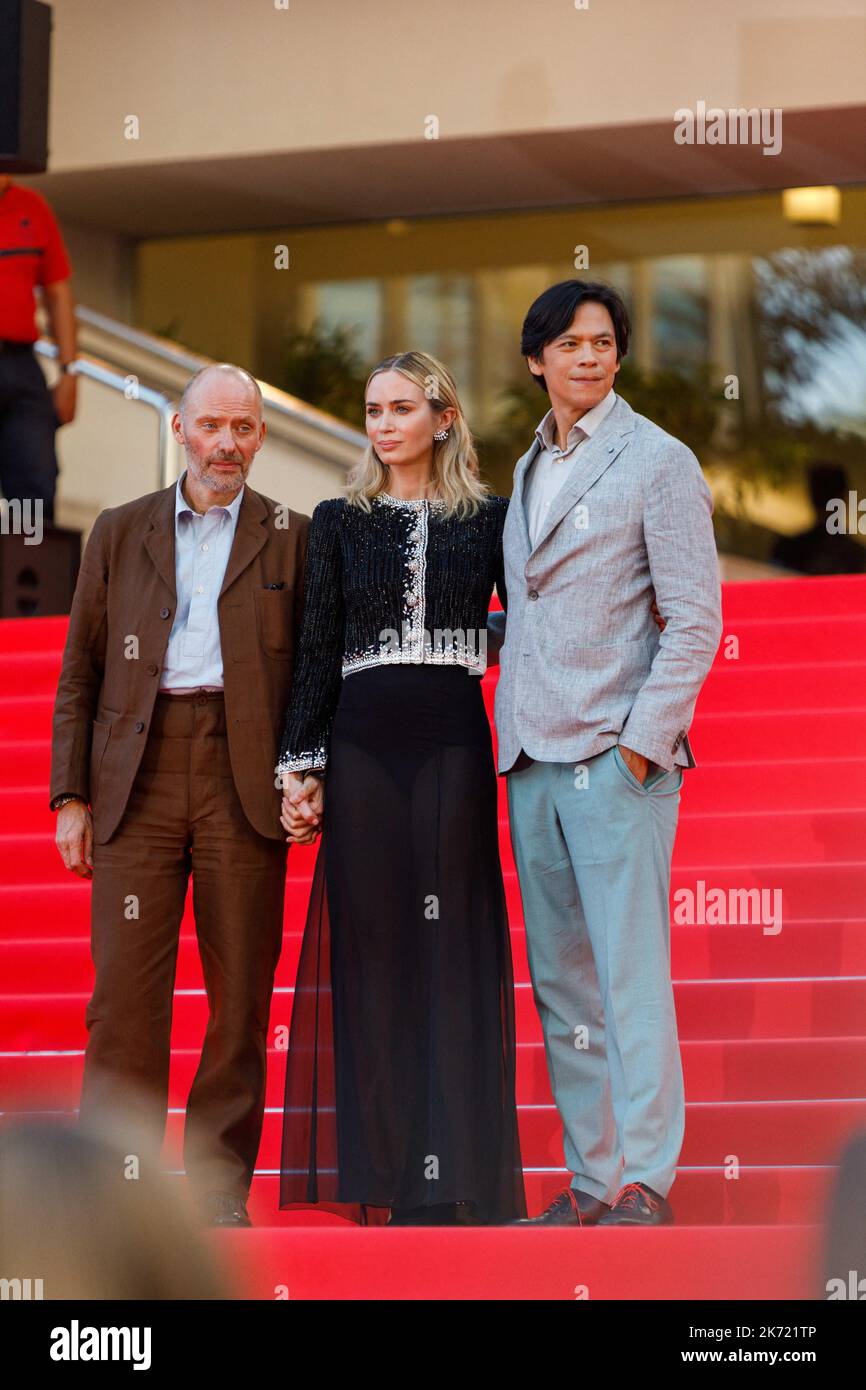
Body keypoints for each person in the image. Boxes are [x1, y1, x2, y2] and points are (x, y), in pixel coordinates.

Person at [49, 363, 312, 1227]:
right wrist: (71, 795)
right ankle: (114, 1198)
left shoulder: (293, 537)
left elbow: (313, 673)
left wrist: (306, 773)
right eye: (212, 427)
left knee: (240, 996)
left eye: (243, 428)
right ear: (180, 431)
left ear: (261, 437)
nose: (227, 443)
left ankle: (215, 1190)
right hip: (139, 771)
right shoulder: (120, 533)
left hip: (245, 777)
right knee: (124, 999)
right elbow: (80, 670)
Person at [276, 350, 527, 1226]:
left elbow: (527, 622)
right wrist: (300, 766)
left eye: (402, 408)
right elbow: (315, 647)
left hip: (454, 736)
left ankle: (451, 1178)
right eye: (374, 410)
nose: (384, 424)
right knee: (377, 953)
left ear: (443, 418)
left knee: (450, 949)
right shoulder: (338, 519)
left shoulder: (493, 518)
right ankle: (384, 1172)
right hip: (363, 743)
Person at [494, 280, 722, 1227]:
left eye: (604, 342)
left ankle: (647, 1179)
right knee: (561, 985)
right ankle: (590, 1180)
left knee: (627, 974)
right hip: (530, 758)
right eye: (569, 343)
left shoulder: (657, 461)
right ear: (537, 359)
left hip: (612, 756)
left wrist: (639, 748)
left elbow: (696, 619)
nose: (589, 357)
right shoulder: (525, 468)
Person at [0, 173, 77, 521]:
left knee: (36, 485)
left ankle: (31, 571)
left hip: (20, 365)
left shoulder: (32, 205)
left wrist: (69, 371)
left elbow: (58, 293)